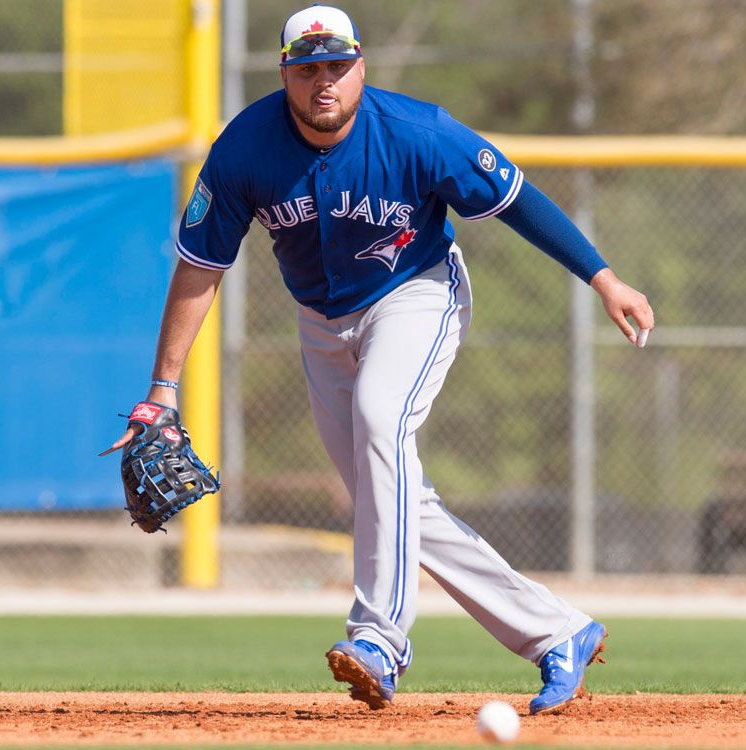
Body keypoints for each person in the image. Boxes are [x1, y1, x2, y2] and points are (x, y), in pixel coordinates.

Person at [106, 4, 654, 715]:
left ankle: (379, 640)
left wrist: (603, 278)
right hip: (320, 323)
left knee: (379, 420)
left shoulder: (418, 132)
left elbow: (518, 198)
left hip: (416, 295)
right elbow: (199, 266)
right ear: (285, 75)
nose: (323, 80)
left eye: (337, 64)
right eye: (307, 68)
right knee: (386, 493)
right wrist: (162, 389)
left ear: (362, 66)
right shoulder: (245, 148)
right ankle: (559, 633)